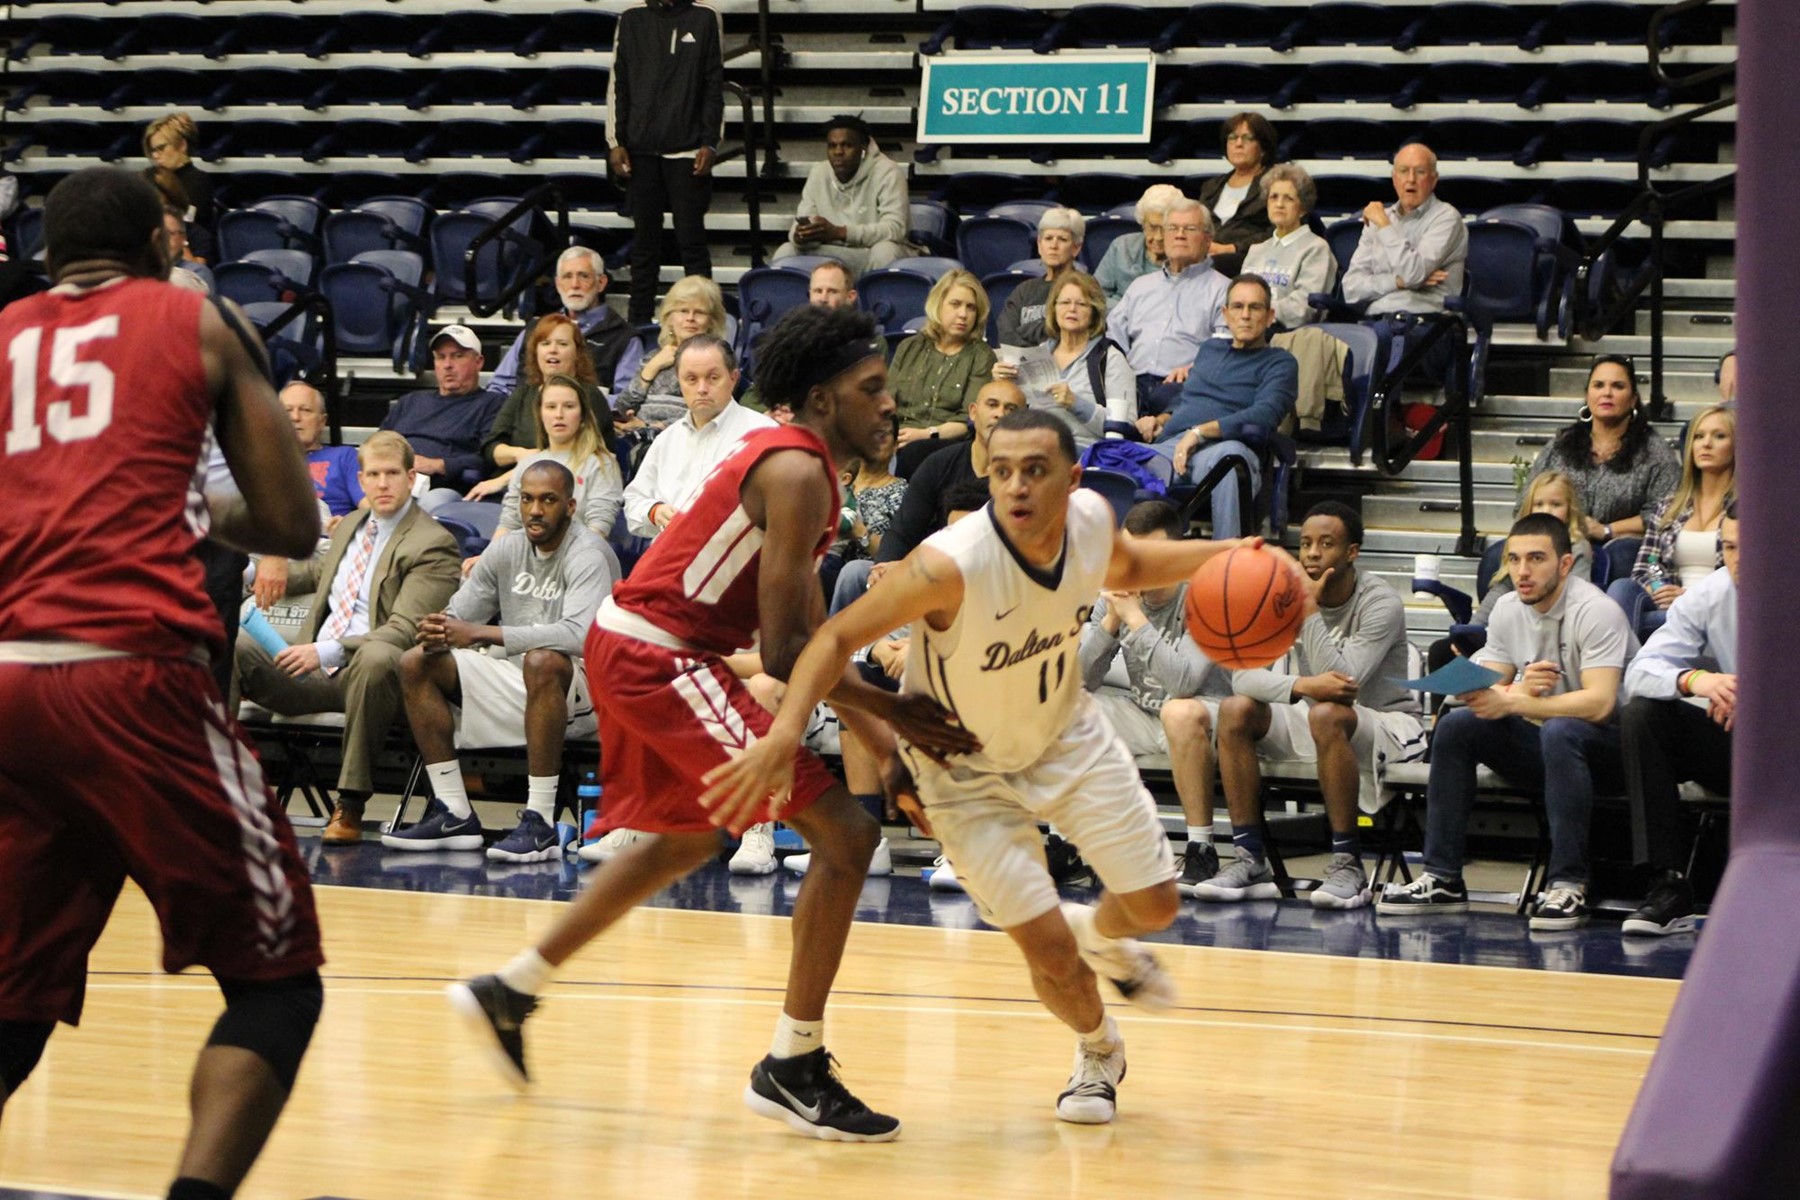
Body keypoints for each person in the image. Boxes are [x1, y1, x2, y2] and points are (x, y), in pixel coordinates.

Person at [448, 304, 977, 1142]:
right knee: (847, 837)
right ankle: (793, 1064)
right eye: (872, 388)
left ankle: (512, 987)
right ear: (822, 397)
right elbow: (789, 648)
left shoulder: (800, 463)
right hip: (657, 654)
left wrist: (883, 744)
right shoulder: (795, 472)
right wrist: (894, 711)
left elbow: (812, 630)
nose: (889, 403)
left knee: (690, 838)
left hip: (644, 645)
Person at [702, 408, 1302, 1125]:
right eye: (1003, 471)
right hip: (962, 773)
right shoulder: (950, 563)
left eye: (1035, 471)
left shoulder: (1088, 520)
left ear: (1072, 480)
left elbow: (1130, 564)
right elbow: (831, 639)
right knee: (1046, 949)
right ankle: (1098, 1051)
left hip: (1065, 738)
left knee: (1156, 907)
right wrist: (785, 733)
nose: (1016, 486)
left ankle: (1099, 934)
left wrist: (1233, 551)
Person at [0, 164, 322, 1200]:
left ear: (46, 258)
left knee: (12, 995)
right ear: (158, 248)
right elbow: (291, 523)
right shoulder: (199, 322)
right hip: (133, 676)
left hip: (10, 682)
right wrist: (190, 496)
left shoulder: (3, 336)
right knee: (278, 981)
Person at [1379, 512, 1637, 930]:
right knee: (1458, 727)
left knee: (1562, 731)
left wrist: (1515, 701)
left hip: (1617, 753)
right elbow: (1492, 687)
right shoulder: (1506, 608)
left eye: (1536, 558)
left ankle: (1569, 884)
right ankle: (1443, 877)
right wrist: (1515, 688)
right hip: (1551, 748)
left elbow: (1600, 704)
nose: (1522, 571)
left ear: (1565, 565)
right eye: (1514, 560)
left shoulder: (1597, 611)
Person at [234, 431, 463, 845]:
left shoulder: (433, 543)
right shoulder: (351, 526)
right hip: (312, 674)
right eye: (373, 475)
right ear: (360, 480)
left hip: (378, 680)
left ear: (411, 478)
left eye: (392, 473)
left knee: (377, 656)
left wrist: (324, 651)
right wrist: (251, 573)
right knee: (229, 643)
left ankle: (350, 804)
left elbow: (404, 631)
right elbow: (317, 575)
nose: (382, 483)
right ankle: (217, 782)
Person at [1194, 503, 1424, 910]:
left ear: (1352, 552)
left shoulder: (1381, 602)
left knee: (1326, 713)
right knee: (1235, 710)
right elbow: (1243, 678)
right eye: (1305, 544)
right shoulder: (1280, 597)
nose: (1312, 553)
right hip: (1319, 719)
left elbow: (1345, 682)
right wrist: (1301, 684)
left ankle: (1348, 865)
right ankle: (1249, 858)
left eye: (1326, 544)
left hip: (1391, 726)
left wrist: (1309, 611)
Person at [390, 460, 615, 860]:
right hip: (520, 675)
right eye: (527, 499)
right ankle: (454, 813)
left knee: (542, 661)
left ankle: (541, 822)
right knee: (416, 662)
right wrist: (439, 629)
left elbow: (579, 637)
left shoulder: (588, 553)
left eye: (548, 500)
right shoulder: (507, 548)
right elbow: (461, 614)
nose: (535, 510)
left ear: (570, 506)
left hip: (586, 688)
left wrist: (482, 634)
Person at [1080, 500, 1234, 891]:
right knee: (1067, 708)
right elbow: (1079, 680)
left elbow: (1185, 682)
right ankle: (1073, 844)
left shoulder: (1205, 595)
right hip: (1145, 713)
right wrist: (1111, 621)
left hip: (1206, 717)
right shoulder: (1115, 596)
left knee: (1179, 712)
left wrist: (1134, 618)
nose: (1138, 565)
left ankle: (1201, 848)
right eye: (1131, 554)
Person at [1618, 501, 1737, 937]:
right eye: (1730, 548)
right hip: (1742, 745)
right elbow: (1639, 673)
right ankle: (1667, 884)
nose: (1740, 560)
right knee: (1643, 715)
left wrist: (1763, 701)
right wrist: (1695, 680)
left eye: (1751, 547)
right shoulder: (1714, 591)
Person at [830, 381, 1027, 615]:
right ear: (973, 412)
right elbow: (903, 530)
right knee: (855, 572)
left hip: (979, 581)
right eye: (992, 405)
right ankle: (837, 639)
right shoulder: (939, 463)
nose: (999, 414)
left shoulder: (1023, 481)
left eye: (1010, 409)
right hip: (921, 571)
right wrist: (883, 568)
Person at [1152, 274, 1299, 537]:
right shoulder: (1209, 349)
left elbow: (1265, 414)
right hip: (1169, 447)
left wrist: (1199, 433)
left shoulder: (1280, 362)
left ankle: (1229, 555)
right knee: (1102, 455)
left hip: (1221, 451)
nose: (1245, 315)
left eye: (1255, 307)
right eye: (1238, 307)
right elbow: (1188, 397)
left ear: (1269, 316)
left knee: (1229, 462)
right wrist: (1161, 419)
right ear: (1225, 314)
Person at [607, 0, 724, 325]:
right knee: (644, 246)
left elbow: (714, 85)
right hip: (640, 151)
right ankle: (638, 325)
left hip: (688, 151)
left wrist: (710, 142)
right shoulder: (631, 18)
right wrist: (615, 142)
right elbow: (618, 82)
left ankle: (709, 325)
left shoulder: (705, 17)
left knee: (692, 243)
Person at [621, 334, 775, 540]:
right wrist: (654, 511)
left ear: (733, 378)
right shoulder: (667, 440)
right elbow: (634, 500)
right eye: (691, 379)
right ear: (680, 381)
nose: (702, 389)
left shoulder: (764, 433)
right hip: (670, 552)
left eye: (713, 378)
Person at [1523, 355, 1681, 546]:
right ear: (1588, 396)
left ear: (1633, 400)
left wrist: (1606, 530)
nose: (1607, 393)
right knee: (1498, 552)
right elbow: (1525, 503)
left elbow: (1667, 512)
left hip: (1620, 546)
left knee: (1622, 551)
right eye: (1598, 385)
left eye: (1618, 386)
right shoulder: (1559, 446)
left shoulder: (1655, 452)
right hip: (1560, 542)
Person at [1610, 404, 1736, 633]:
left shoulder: (1746, 510)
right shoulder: (1669, 506)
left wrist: (1690, 596)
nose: (1706, 444)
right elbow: (1647, 565)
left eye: (1719, 436)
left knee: (1633, 622)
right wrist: (1660, 589)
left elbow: (1744, 576)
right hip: (1668, 606)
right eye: (1698, 436)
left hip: (1718, 609)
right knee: (1622, 588)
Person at [1106, 197, 1230, 416]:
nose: (1179, 235)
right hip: (1131, 384)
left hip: (1184, 387)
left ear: (1208, 239)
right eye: (1172, 228)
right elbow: (1113, 339)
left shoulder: (1224, 290)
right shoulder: (1140, 286)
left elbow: (1225, 349)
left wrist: (1194, 369)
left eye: (1189, 228)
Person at [250, 381, 364, 611]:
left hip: (321, 546)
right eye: (287, 411)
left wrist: (349, 524)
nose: (295, 417)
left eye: (305, 410)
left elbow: (371, 509)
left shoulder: (344, 457)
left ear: (322, 421)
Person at [996, 271, 1135, 452]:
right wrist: (1003, 384)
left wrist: (1076, 403)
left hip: (1085, 451)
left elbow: (1126, 426)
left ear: (1094, 312)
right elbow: (1017, 413)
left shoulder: (1110, 359)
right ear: (1053, 309)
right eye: (1065, 302)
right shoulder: (1037, 354)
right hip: (1033, 446)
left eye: (1081, 304)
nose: (1072, 309)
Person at [473, 312, 602, 498]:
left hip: (559, 494)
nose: (553, 350)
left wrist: (504, 479)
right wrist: (519, 454)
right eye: (545, 343)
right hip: (502, 491)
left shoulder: (588, 396)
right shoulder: (523, 393)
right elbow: (491, 447)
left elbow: (569, 456)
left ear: (577, 353)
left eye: (562, 344)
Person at [487, 246, 640, 399]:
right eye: (567, 276)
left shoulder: (624, 337)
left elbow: (626, 400)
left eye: (583, 276)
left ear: (601, 283)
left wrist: (574, 402)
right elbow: (499, 387)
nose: (575, 284)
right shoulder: (535, 328)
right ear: (558, 284)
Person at [772, 114, 913, 274]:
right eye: (832, 146)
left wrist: (841, 232)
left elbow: (895, 229)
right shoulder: (819, 172)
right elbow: (800, 222)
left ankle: (881, 291)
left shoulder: (888, 172)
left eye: (847, 145)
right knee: (787, 250)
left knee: (885, 251)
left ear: (863, 149)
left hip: (868, 251)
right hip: (833, 251)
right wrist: (801, 236)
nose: (838, 152)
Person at [890, 268, 997, 476]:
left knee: (913, 452)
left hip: (944, 442)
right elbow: (887, 403)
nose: (963, 314)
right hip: (899, 436)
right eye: (955, 304)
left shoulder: (982, 356)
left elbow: (968, 420)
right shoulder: (909, 347)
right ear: (937, 305)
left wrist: (926, 434)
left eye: (971, 308)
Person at [493, 375, 623, 545]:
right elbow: (508, 524)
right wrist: (488, 556)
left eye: (569, 406)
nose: (559, 415)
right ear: (540, 415)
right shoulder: (527, 464)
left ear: (582, 416)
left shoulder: (601, 464)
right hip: (525, 554)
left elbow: (598, 527)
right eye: (551, 407)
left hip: (581, 553)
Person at [1340, 143, 1467, 317]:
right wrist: (1398, 281)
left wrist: (1385, 227)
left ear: (1434, 180)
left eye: (1420, 172)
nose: (1411, 179)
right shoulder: (1379, 218)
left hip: (1427, 319)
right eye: (1403, 171)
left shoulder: (1446, 218)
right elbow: (1351, 289)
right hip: (1377, 319)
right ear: (1394, 179)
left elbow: (1413, 274)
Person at [379, 325, 506, 491]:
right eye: (440, 357)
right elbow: (377, 445)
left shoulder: (492, 404)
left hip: (443, 488)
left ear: (478, 362)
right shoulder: (410, 402)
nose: (447, 365)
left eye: (457, 356)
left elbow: (491, 456)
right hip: (389, 480)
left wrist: (439, 465)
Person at [742, 260, 861, 420]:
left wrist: (798, 417)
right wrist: (770, 413)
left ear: (850, 297)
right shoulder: (787, 338)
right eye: (817, 291)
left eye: (832, 291)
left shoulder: (865, 342)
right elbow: (751, 397)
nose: (823, 298)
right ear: (810, 295)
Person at [614, 274, 730, 432]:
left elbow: (707, 412)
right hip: (637, 436)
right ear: (670, 318)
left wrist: (650, 428)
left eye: (699, 312)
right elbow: (622, 407)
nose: (690, 318)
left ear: (712, 321)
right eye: (683, 311)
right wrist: (651, 368)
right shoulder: (654, 357)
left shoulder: (718, 361)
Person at [1242, 162, 1336, 332]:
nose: (1279, 204)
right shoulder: (1256, 250)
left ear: (1302, 208)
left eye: (1288, 198)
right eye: (1273, 197)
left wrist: (1258, 312)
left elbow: (1303, 309)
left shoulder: (1316, 249)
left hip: (1290, 334)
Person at [1191, 112, 1278, 278]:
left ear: (1263, 148)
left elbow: (1279, 231)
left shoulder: (1277, 184)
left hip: (1251, 260)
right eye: (1232, 138)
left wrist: (1232, 248)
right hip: (1207, 256)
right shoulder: (1211, 186)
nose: (1238, 144)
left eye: (1247, 138)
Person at [995, 207, 1085, 350]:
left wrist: (1025, 330)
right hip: (1021, 360)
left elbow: (1066, 336)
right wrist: (1034, 351)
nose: (1053, 246)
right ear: (1039, 245)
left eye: (1062, 239)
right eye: (1048, 238)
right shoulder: (1024, 290)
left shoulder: (1084, 289)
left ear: (1076, 248)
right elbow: (1006, 333)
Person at [1094, 183, 1184, 306]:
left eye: (1166, 228)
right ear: (1142, 223)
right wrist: (1130, 311)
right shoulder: (1121, 247)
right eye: (1152, 227)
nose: (1158, 237)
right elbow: (1095, 295)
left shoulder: (1189, 257)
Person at [143, 112, 214, 230]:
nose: (155, 155)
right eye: (152, 150)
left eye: (161, 148)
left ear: (182, 145)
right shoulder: (148, 176)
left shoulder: (199, 181)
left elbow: (190, 223)